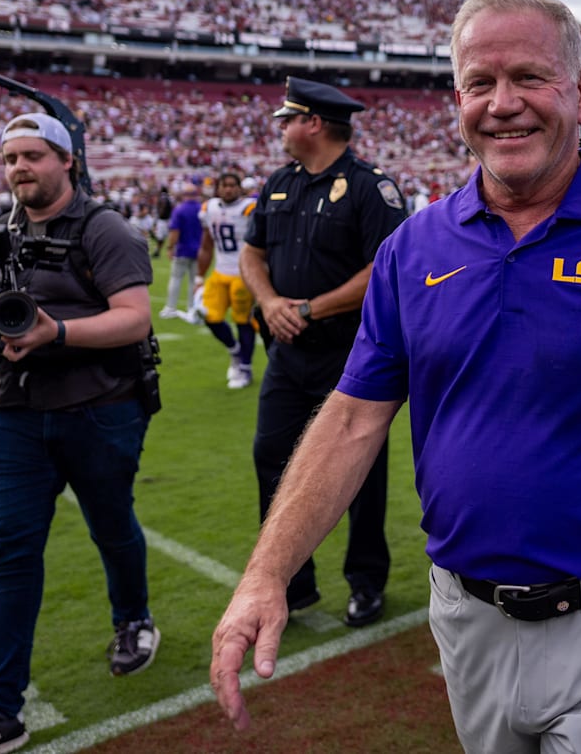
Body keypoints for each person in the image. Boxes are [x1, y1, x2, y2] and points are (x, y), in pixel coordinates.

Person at [212, 0, 581, 750]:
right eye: (480, 83)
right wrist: (267, 572)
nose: (503, 105)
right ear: (456, 99)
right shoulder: (411, 250)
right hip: (467, 622)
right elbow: (354, 418)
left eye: (530, 77)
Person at [0, 113, 160, 754]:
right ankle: (0, 710)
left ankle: (133, 620)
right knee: (10, 553)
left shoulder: (104, 228)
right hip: (15, 409)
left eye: (33, 155)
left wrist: (53, 332)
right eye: (10, 159)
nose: (19, 169)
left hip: (101, 407)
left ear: (67, 162)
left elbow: (134, 320)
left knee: (112, 525)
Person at [238, 76, 404, 628]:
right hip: (288, 353)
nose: (280, 129)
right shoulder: (279, 184)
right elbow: (252, 253)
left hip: (351, 354)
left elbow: (384, 269)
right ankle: (290, 582)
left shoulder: (369, 188)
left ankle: (365, 580)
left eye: (287, 119)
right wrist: (269, 302)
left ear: (313, 122)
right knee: (271, 458)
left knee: (360, 471)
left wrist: (309, 308)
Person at [197, 171, 257, 389]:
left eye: (233, 185)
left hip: (243, 273)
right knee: (209, 316)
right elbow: (206, 246)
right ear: (218, 188)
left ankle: (245, 369)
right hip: (220, 271)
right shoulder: (209, 208)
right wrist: (198, 276)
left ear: (240, 188)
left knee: (243, 320)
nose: (229, 189)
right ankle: (235, 352)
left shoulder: (250, 208)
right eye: (225, 185)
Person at [162, 182, 202, 320]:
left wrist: (170, 247)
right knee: (194, 280)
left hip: (183, 249)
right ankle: (192, 308)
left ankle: (170, 307)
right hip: (199, 250)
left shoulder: (179, 210)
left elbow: (175, 231)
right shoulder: (202, 208)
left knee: (176, 279)